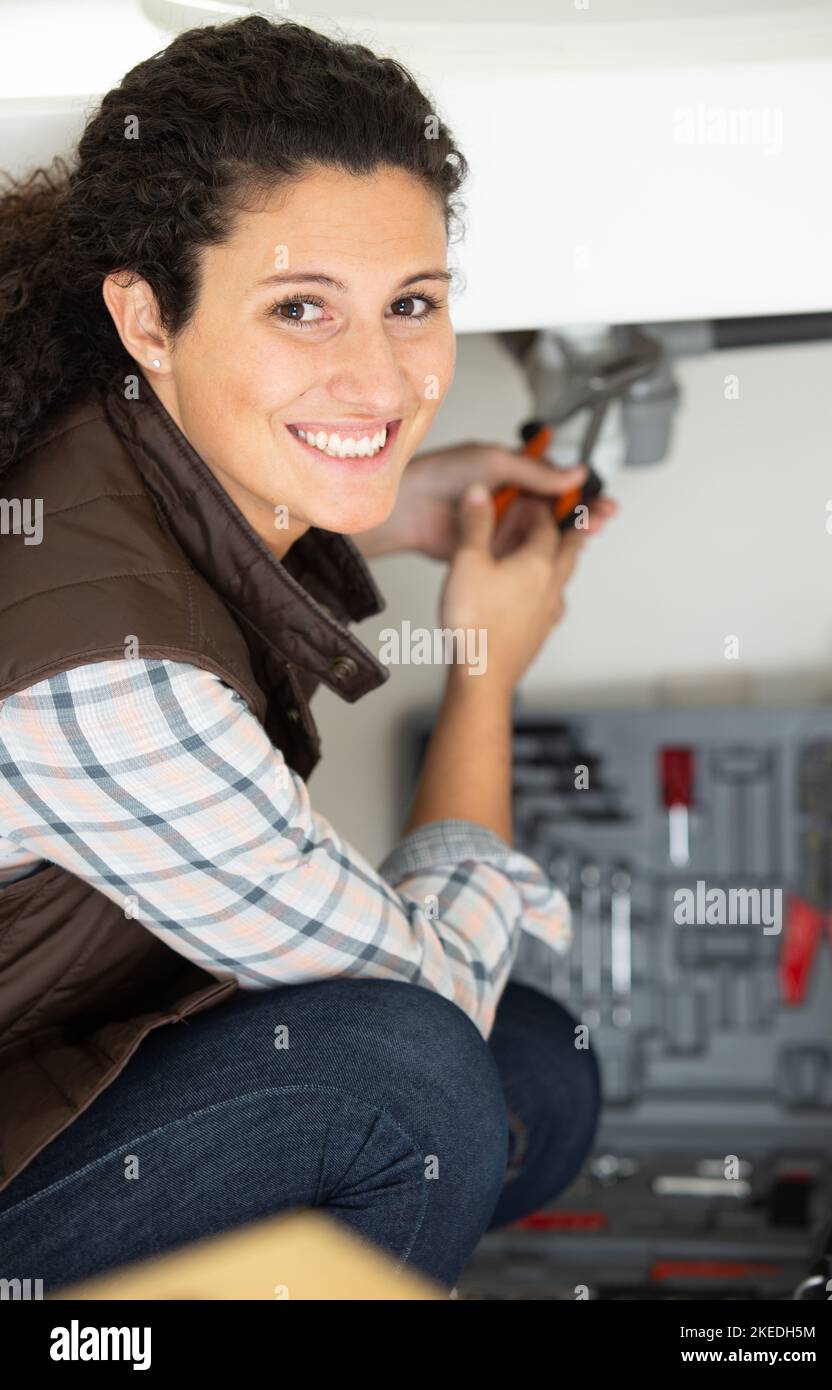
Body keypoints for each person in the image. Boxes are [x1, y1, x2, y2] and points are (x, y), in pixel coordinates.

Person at [0, 15, 615, 1293]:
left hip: (48, 1048)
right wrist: (485, 675)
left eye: (410, 304)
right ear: (146, 316)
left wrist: (394, 505)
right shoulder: (109, 684)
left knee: (537, 1068)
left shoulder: (85, 414)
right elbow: (429, 1003)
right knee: (411, 1087)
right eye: (300, 308)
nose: (381, 375)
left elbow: (184, 527)